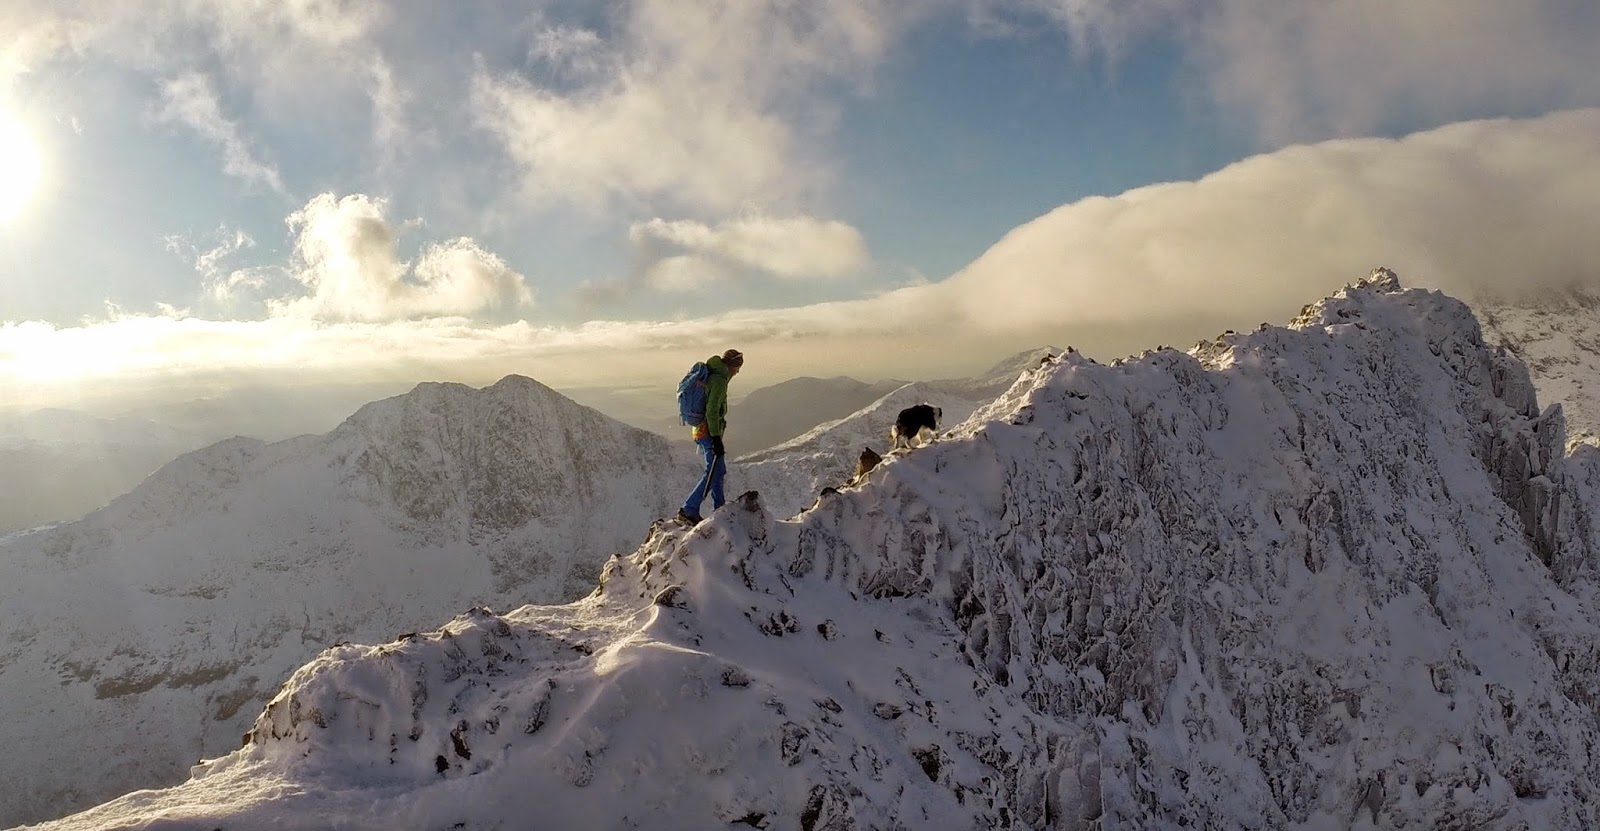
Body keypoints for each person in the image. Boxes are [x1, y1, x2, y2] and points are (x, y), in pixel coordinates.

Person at [678, 348, 743, 524]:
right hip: (708, 432)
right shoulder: (719, 380)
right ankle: (689, 510)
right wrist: (715, 438)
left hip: (702, 430)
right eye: (738, 366)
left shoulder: (714, 376)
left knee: (718, 470)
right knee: (713, 471)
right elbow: (712, 411)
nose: (738, 371)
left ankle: (719, 508)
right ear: (733, 365)